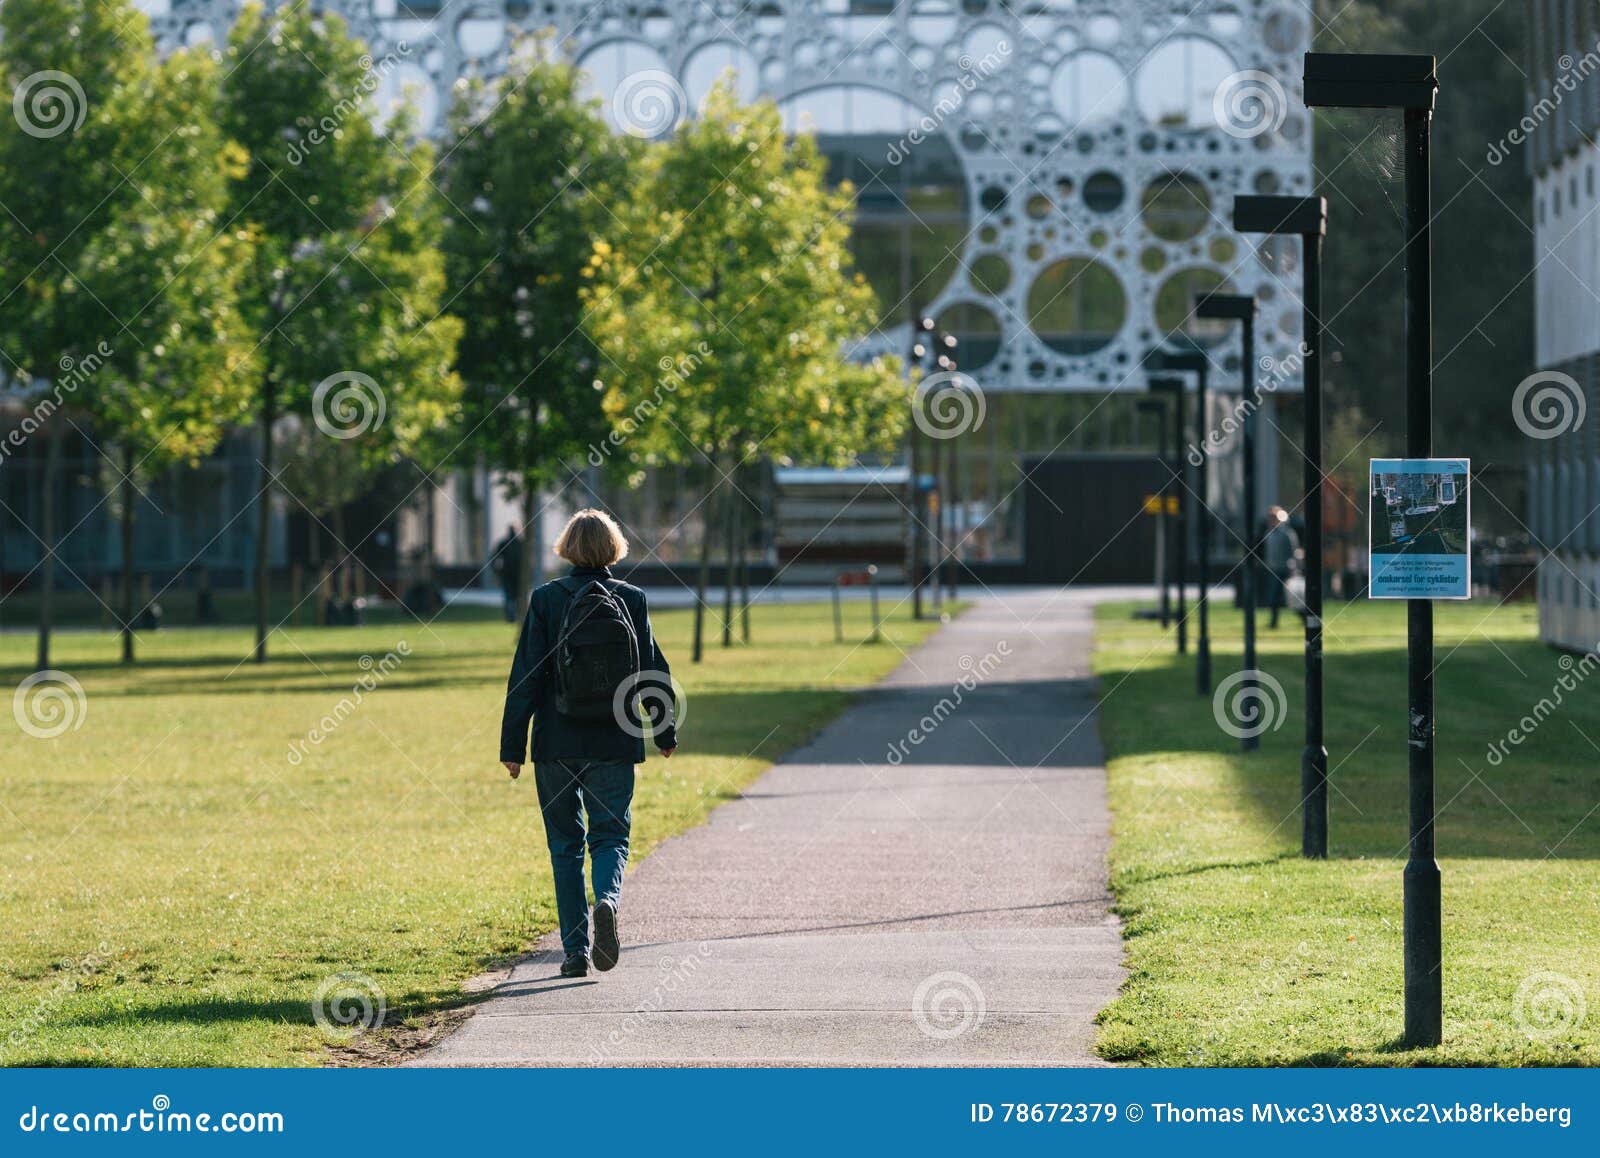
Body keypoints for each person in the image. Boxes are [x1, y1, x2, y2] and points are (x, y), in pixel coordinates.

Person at [499, 509, 677, 979]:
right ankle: (609, 902)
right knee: (611, 835)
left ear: (567, 547)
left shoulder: (545, 599)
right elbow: (652, 669)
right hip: (615, 738)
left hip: (555, 742)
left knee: (564, 847)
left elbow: (527, 676)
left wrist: (512, 746)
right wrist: (664, 731)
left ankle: (575, 953)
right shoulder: (632, 599)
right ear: (613, 547)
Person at [1262, 505, 1301, 629]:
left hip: (1285, 570)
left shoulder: (1287, 533)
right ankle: (1274, 622)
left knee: (1292, 599)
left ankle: (1304, 617)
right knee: (1273, 598)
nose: (1271, 520)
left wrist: (1294, 569)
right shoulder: (1268, 533)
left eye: (1273, 517)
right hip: (1273, 569)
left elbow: (1294, 552)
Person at [490, 524, 522, 623]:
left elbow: (493, 558)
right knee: (513, 597)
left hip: (511, 575)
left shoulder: (507, 543)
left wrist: (497, 571)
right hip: (512, 575)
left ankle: (511, 617)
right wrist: (498, 571)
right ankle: (512, 617)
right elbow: (494, 558)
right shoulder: (518, 543)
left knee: (511, 597)